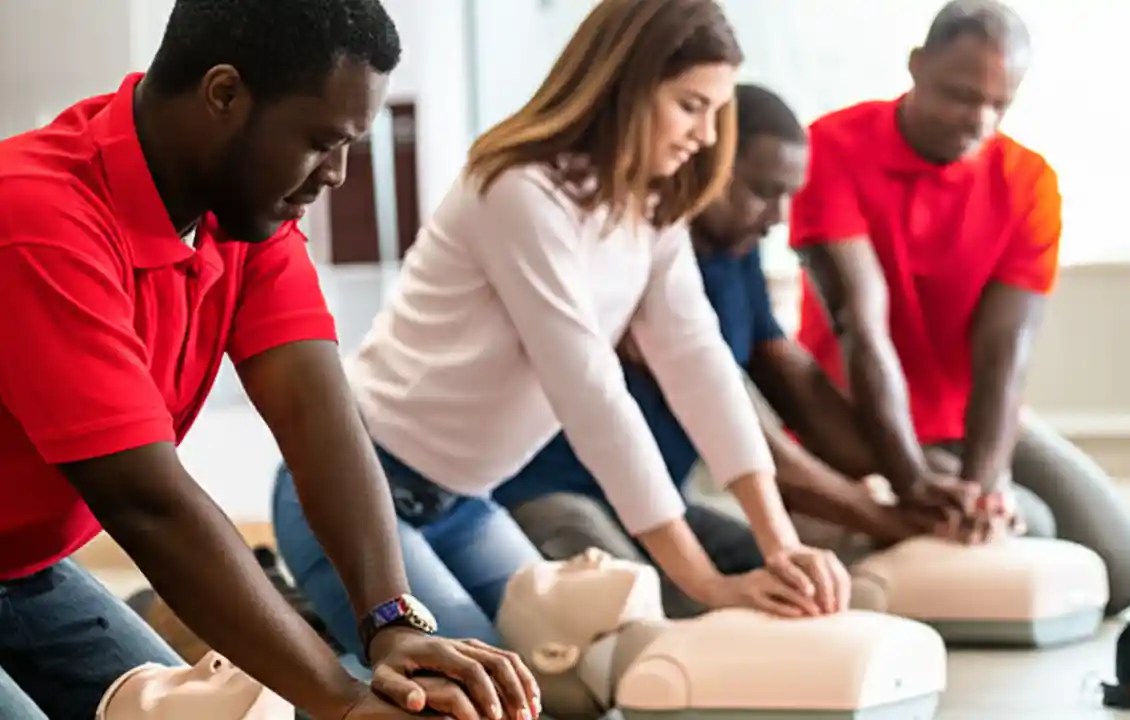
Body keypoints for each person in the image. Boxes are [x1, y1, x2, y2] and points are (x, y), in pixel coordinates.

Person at [0, 2, 540, 720]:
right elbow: (147, 504)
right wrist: (342, 702)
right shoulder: (37, 220)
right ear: (224, 93)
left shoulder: (246, 213)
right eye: (322, 141)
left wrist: (391, 622)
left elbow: (318, 418)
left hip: (24, 568)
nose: (339, 174)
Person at [272, 0, 853, 659]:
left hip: (464, 504)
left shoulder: (651, 210)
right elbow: (591, 394)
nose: (707, 134)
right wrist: (704, 582)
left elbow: (699, 361)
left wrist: (783, 545)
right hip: (353, 487)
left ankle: (307, 617)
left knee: (577, 668)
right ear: (627, 86)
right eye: (692, 106)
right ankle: (280, 641)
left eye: (716, 112)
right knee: (472, 680)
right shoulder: (518, 190)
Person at [492, 83, 930, 618]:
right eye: (762, 192)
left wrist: (918, 485)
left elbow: (795, 386)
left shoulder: (736, 254)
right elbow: (741, 431)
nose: (777, 217)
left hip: (663, 508)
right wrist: (884, 516)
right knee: (655, 611)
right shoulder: (634, 255)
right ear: (706, 166)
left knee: (805, 596)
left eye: (788, 195)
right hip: (555, 494)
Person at [786, 0, 1130, 614]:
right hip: (859, 419)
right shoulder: (830, 146)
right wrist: (911, 482)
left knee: (1123, 569)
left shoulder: (1029, 182)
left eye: (998, 104)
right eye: (960, 96)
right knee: (1030, 527)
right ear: (915, 67)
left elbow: (1005, 355)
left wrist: (983, 488)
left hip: (968, 418)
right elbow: (860, 327)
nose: (978, 121)